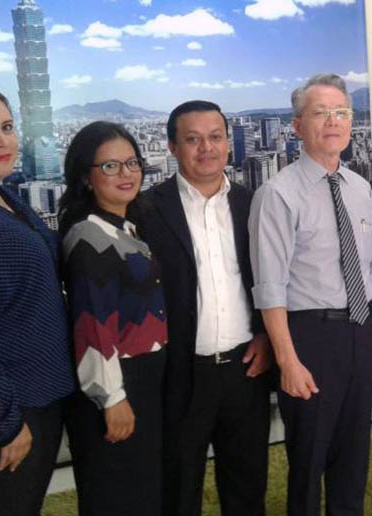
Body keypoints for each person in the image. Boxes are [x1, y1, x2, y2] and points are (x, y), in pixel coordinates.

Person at [249, 73, 372, 516]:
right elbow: (270, 288)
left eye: (341, 112)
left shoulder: (360, 187)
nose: (333, 121)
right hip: (309, 337)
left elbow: (366, 270)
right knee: (309, 458)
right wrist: (287, 360)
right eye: (320, 113)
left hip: (360, 332)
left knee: (354, 454)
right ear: (297, 125)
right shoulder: (277, 194)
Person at [137, 100, 272, 516]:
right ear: (173, 147)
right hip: (180, 375)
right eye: (193, 140)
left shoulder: (254, 203)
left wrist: (266, 335)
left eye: (215, 138)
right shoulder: (146, 209)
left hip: (245, 370)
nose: (206, 149)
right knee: (177, 490)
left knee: (247, 487)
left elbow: (269, 279)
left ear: (229, 144)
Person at [0, 81, 75, 515]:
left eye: (7, 127)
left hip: (37, 400)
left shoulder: (2, 196)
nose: (3, 140)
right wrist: (4, 423)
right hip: (3, 413)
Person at [58, 121, 168, 515]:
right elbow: (93, 326)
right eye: (110, 166)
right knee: (117, 495)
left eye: (132, 162)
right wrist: (112, 398)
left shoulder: (124, 225)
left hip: (141, 380)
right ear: (85, 178)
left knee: (141, 491)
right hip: (117, 383)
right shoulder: (90, 238)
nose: (126, 173)